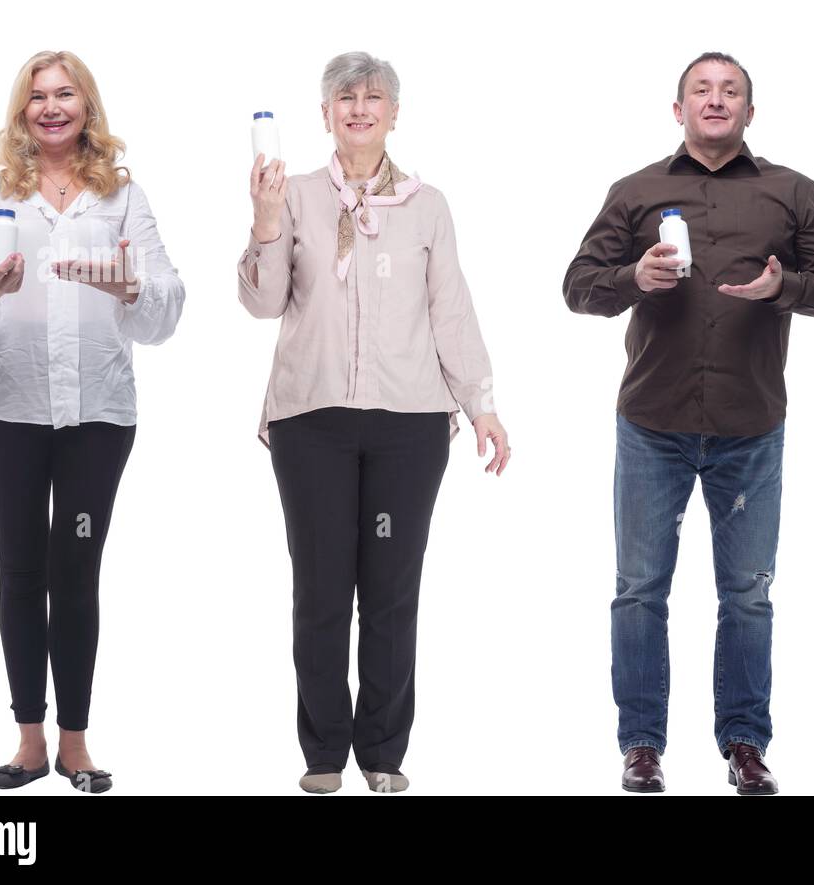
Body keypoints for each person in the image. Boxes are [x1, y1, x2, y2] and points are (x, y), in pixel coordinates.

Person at [563, 51, 814, 795]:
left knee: (748, 593)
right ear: (679, 108)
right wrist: (634, 278)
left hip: (750, 427)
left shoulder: (792, 191)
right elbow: (577, 287)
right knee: (639, 589)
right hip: (652, 423)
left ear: (750, 112)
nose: (716, 100)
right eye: (702, 90)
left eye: (731, 92)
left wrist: (781, 285)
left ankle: (745, 744)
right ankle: (640, 746)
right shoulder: (636, 191)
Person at [239, 51, 510, 794]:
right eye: (344, 98)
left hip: (409, 423)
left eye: (374, 97)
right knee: (322, 587)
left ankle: (384, 752)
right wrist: (264, 224)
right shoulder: (289, 195)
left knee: (390, 589)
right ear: (325, 113)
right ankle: (324, 751)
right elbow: (264, 305)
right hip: (311, 418)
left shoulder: (428, 206)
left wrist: (480, 402)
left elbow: (449, 310)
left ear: (394, 113)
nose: (359, 108)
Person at [0, 50, 184, 793]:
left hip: (97, 419)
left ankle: (75, 741)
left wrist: (132, 284)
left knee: (74, 573)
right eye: (37, 96)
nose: (51, 107)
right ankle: (28, 739)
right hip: (9, 412)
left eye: (64, 94)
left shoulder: (123, 198)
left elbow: (167, 308)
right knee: (21, 570)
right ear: (22, 111)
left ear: (87, 106)